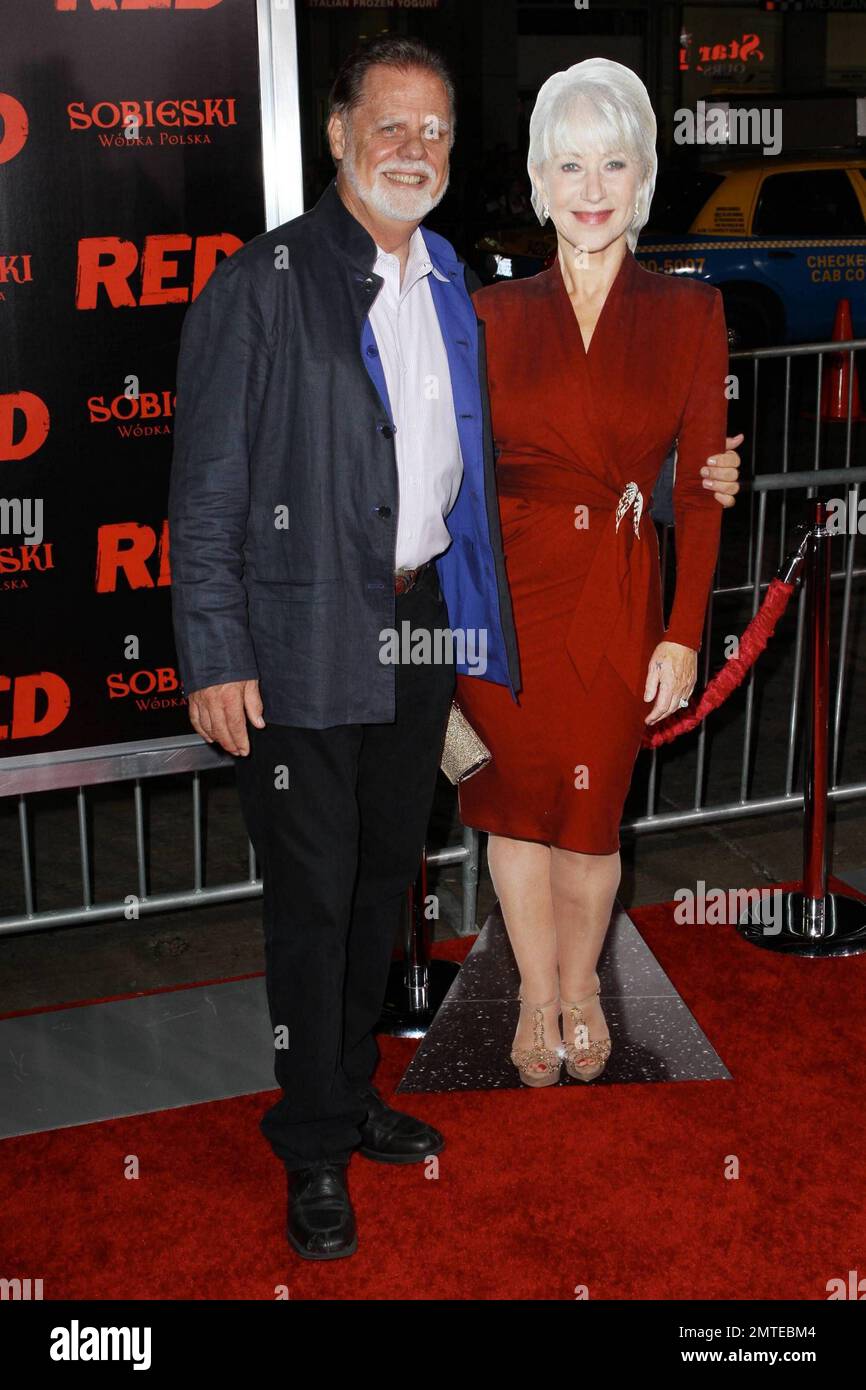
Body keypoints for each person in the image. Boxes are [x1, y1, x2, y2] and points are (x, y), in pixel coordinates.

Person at [168, 39, 742, 1261]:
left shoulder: (442, 277)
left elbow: (527, 449)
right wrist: (214, 648)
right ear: (337, 134)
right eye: (388, 125)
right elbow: (208, 482)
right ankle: (312, 1141)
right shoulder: (261, 281)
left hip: (426, 619)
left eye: (433, 131)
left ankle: (354, 1089)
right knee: (312, 899)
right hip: (303, 628)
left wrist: (689, 485)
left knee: (384, 882)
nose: (411, 148)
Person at [455, 58, 738, 1087]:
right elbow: (449, 474)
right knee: (512, 809)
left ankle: (583, 985)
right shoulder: (488, 314)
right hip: (503, 602)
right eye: (567, 163)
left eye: (611, 161)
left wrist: (682, 627)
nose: (588, 186)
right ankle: (534, 995)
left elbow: (701, 489)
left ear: (642, 176)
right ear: (537, 177)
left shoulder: (686, 315)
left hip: (618, 598)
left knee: (589, 818)